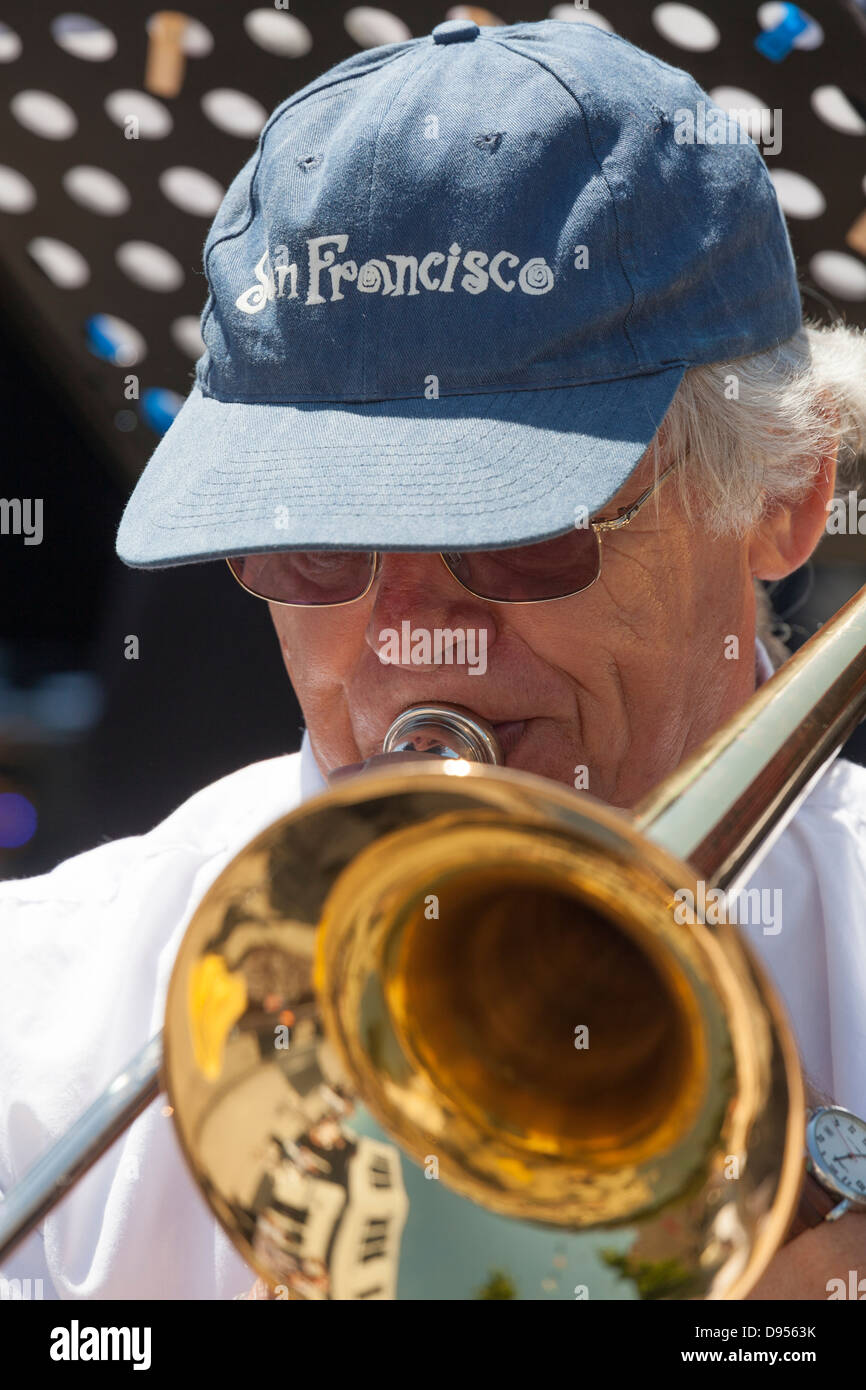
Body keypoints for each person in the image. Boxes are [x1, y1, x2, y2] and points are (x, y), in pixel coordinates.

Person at [1, 17, 865, 1301]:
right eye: (312, 548)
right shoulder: (42, 1024)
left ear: (784, 499)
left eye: (519, 534)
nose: (408, 635)